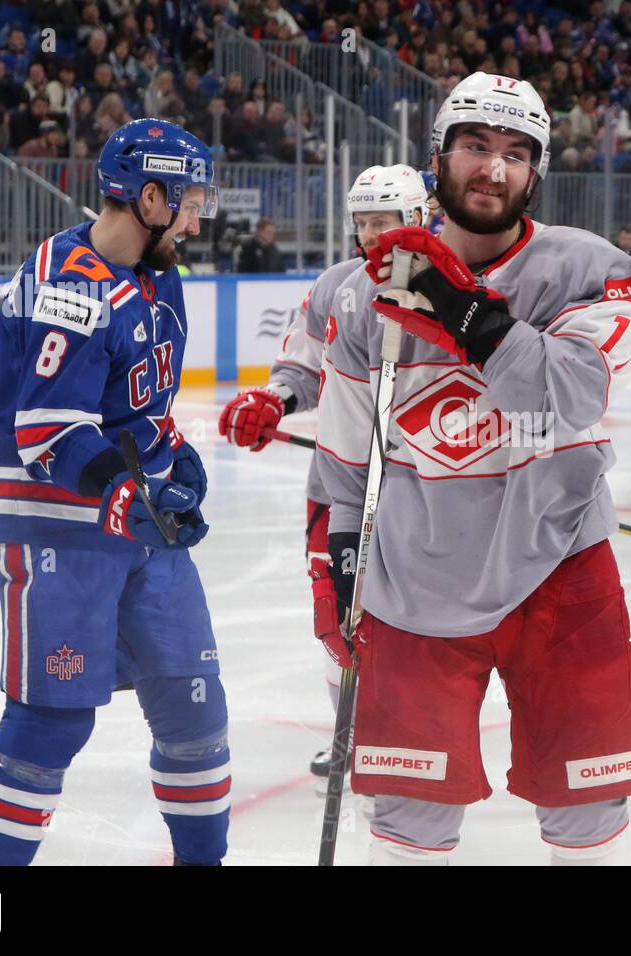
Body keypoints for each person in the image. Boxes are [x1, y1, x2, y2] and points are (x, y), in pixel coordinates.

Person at [316, 72, 631, 866]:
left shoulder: (591, 270)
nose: (492, 169)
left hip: (563, 577)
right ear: (438, 157)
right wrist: (332, 556)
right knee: (407, 828)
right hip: (411, 582)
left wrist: (457, 304)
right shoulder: (366, 293)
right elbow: (342, 448)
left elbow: (566, 397)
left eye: (514, 153)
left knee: (586, 815)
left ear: (537, 172)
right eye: (474, 146)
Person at [0, 119, 230, 866]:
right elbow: (47, 430)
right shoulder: (70, 278)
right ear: (151, 197)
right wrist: (129, 495)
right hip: (53, 525)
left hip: (132, 519)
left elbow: (132, 409)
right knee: (51, 724)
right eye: (189, 201)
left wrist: (170, 454)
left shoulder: (162, 277)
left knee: (195, 710)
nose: (197, 217)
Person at [219, 165, 430, 789]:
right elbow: (302, 366)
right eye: (362, 222)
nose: (370, 235)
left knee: (419, 620)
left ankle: (419, 734)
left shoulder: (456, 290)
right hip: (338, 488)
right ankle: (353, 734)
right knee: (339, 619)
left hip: (422, 493)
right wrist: (275, 400)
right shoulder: (335, 285)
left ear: (415, 219)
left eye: (383, 222)